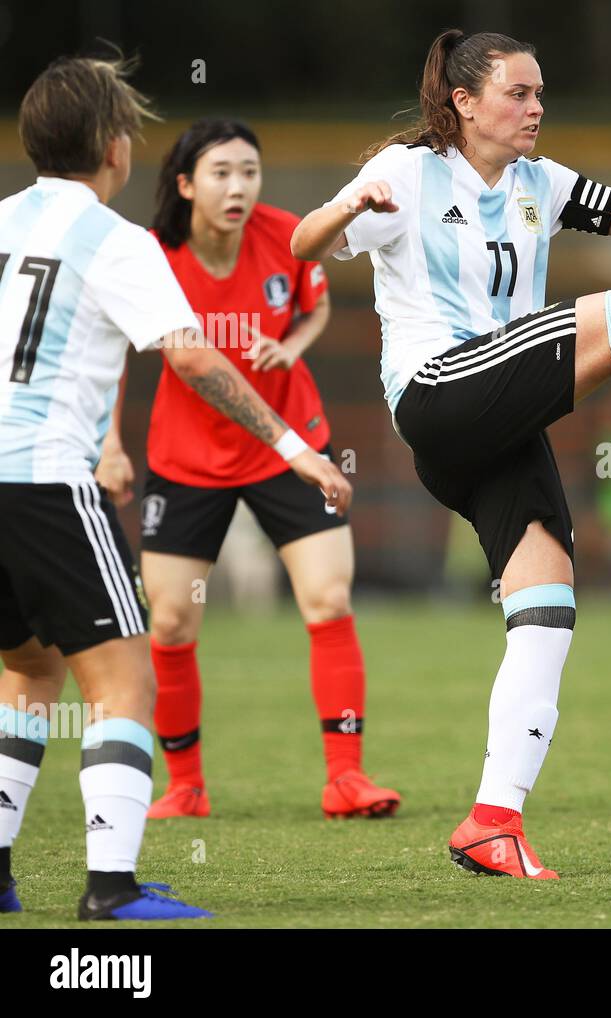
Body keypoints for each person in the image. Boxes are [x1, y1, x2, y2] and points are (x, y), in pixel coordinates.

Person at [292, 29, 611, 879]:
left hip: (489, 422)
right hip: (437, 390)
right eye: (518, 93)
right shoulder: (409, 170)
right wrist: (352, 207)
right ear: (463, 102)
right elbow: (302, 247)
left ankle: (492, 822)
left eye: (541, 94)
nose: (536, 108)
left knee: (546, 614)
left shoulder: (543, 183)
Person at [0, 56, 349, 919]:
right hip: (46, 484)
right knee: (122, 686)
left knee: (27, 674)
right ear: (117, 149)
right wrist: (292, 446)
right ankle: (111, 892)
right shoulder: (116, 240)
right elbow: (191, 357)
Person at [95, 119, 400, 819]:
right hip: (187, 458)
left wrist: (292, 344)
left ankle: (346, 778)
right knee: (170, 621)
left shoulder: (288, 234)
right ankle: (185, 788)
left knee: (328, 598)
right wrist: (111, 442)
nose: (237, 187)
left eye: (248, 172)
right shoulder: (153, 256)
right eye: (220, 173)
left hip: (292, 448)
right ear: (184, 184)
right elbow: (110, 349)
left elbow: (317, 303)